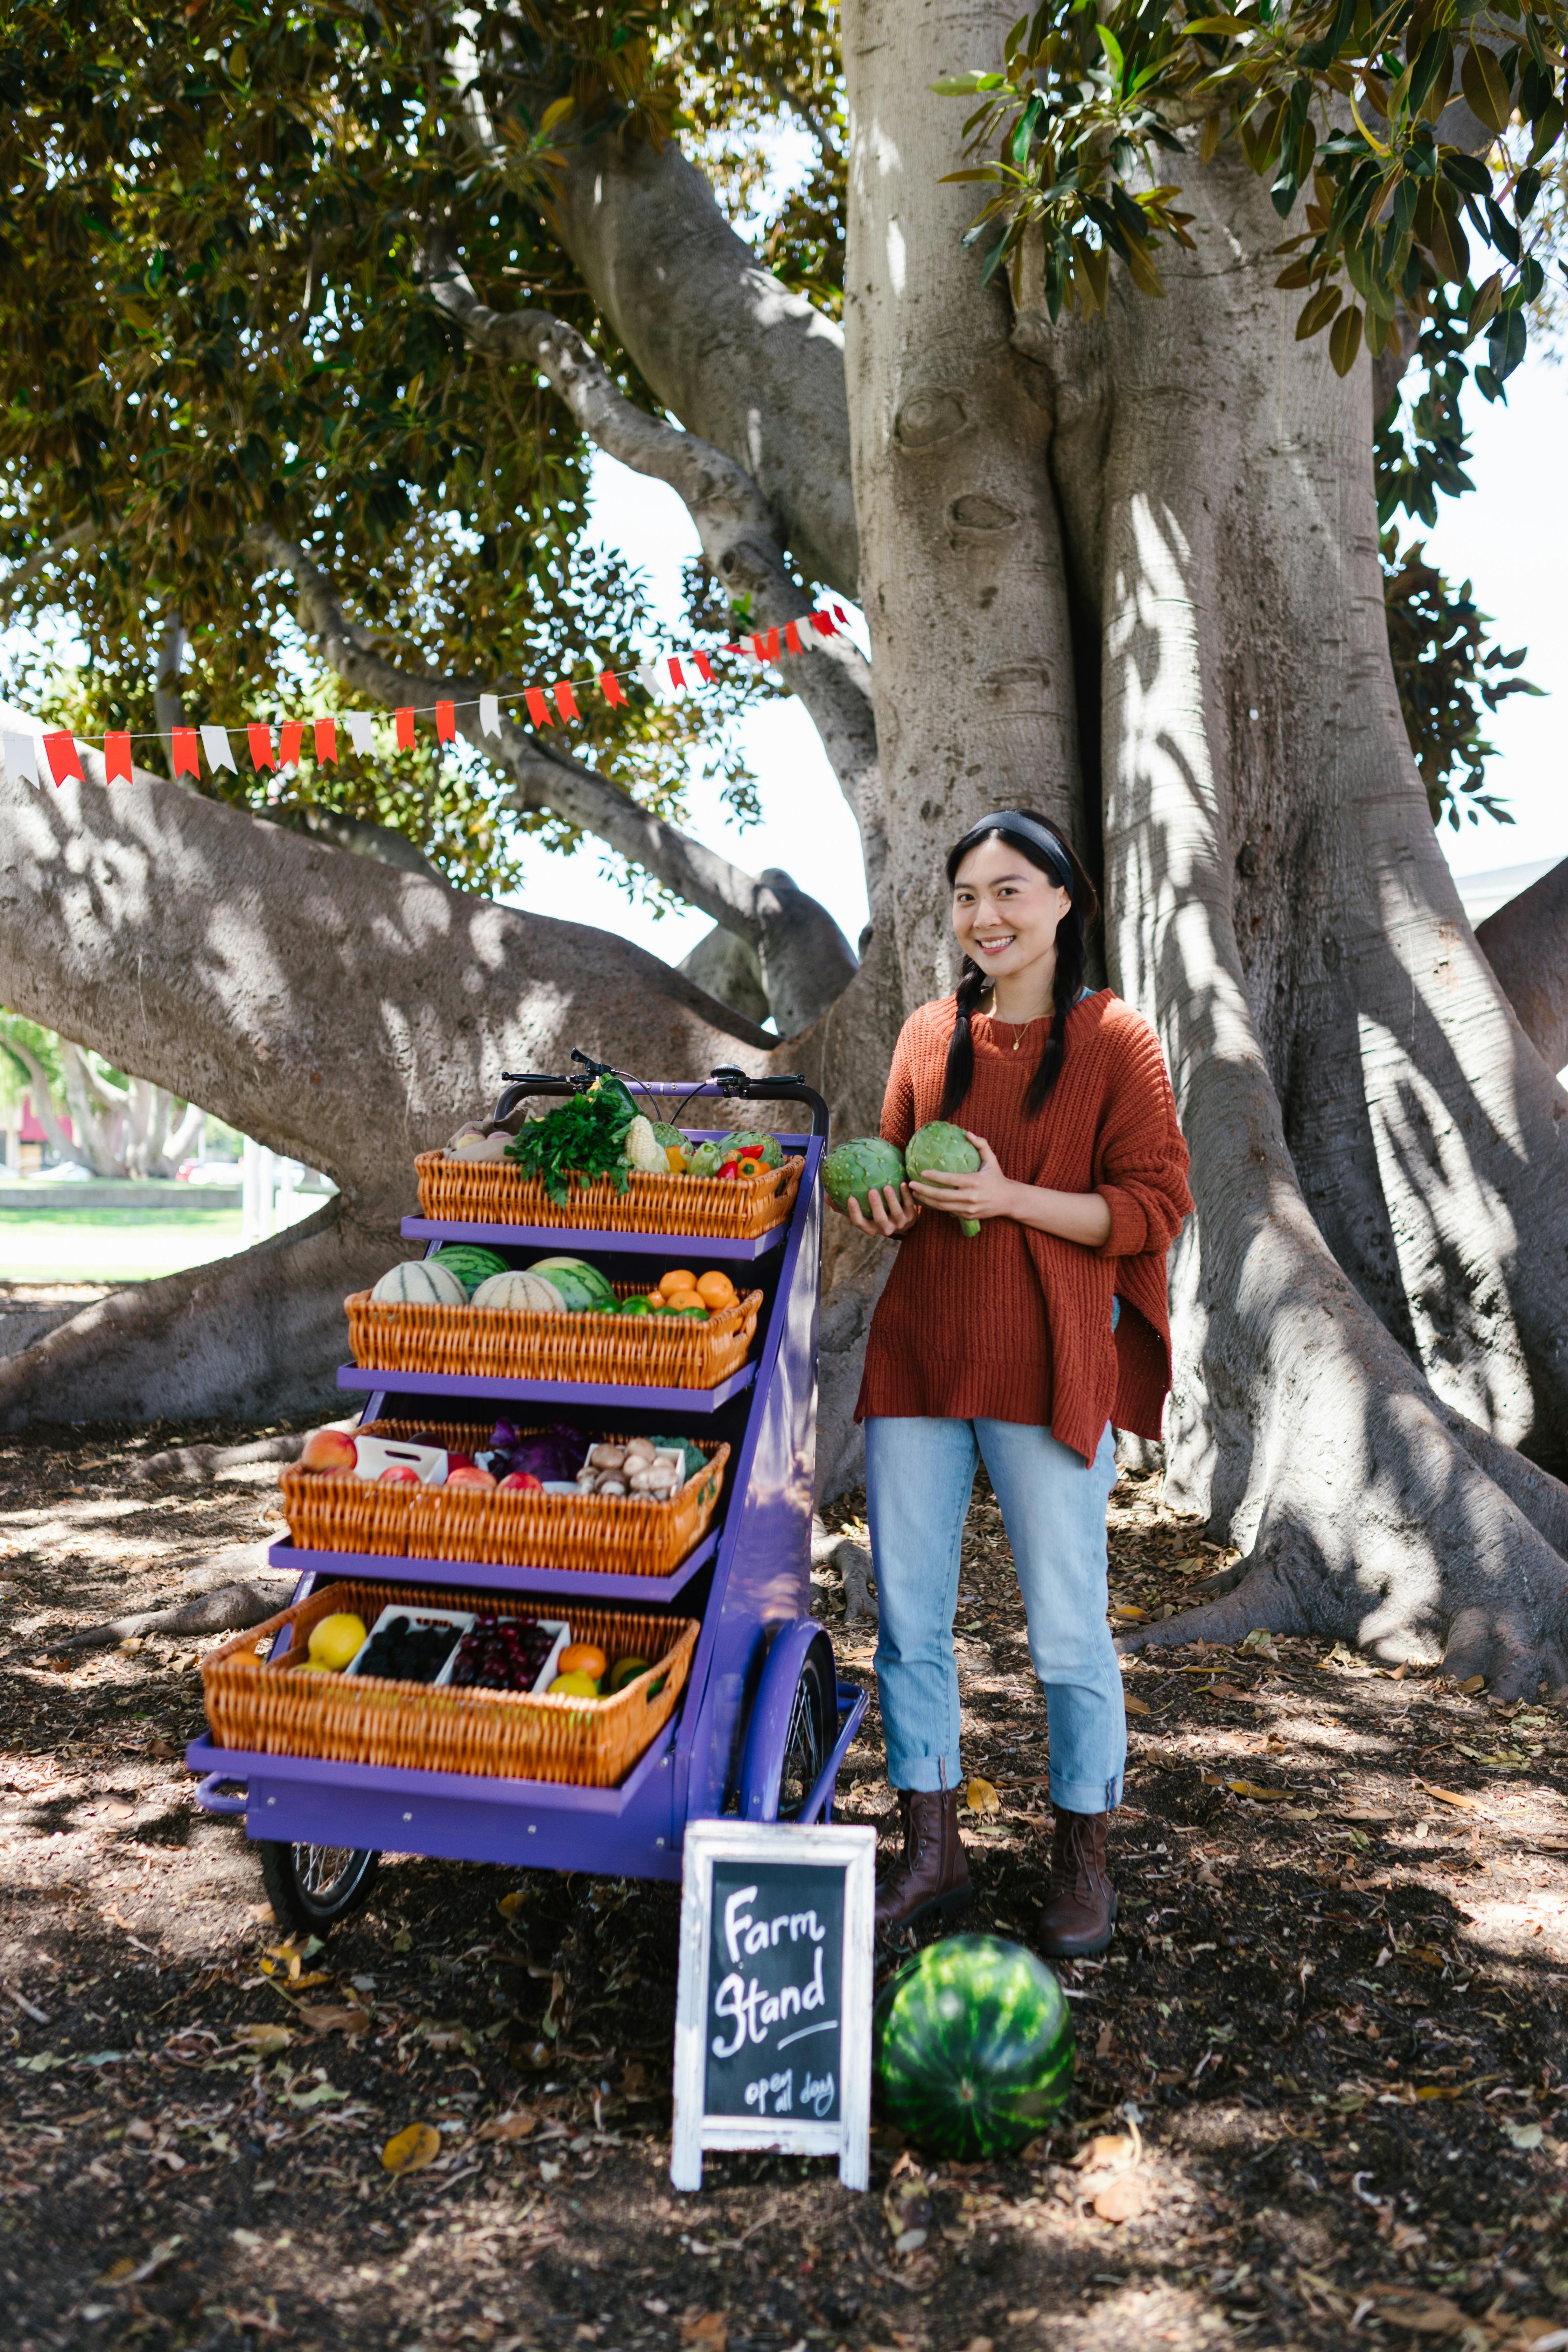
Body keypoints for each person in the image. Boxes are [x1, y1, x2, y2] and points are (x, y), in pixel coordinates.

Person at [828, 809, 1192, 1953]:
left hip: (1050, 1364)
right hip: (922, 1353)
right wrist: (871, 1198)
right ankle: (933, 1852)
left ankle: (1082, 1856)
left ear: (1065, 902)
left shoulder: (1115, 1041)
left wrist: (1015, 1200)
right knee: (907, 1624)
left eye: (1011, 891)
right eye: (968, 897)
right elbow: (885, 1181)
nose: (987, 917)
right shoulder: (928, 1035)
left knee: (1069, 1628)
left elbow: (1155, 1204)